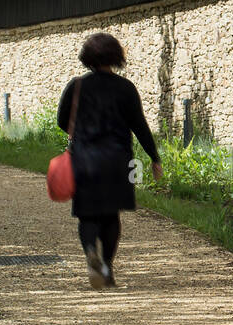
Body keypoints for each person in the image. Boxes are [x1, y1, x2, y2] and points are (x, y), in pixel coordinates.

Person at [57, 32, 163, 290]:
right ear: (116, 57)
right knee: (112, 215)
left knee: (88, 215)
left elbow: (62, 120)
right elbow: (140, 125)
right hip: (118, 161)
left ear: (87, 58)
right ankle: (107, 268)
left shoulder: (77, 85)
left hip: (85, 159)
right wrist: (154, 158)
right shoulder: (125, 88)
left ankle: (91, 250)